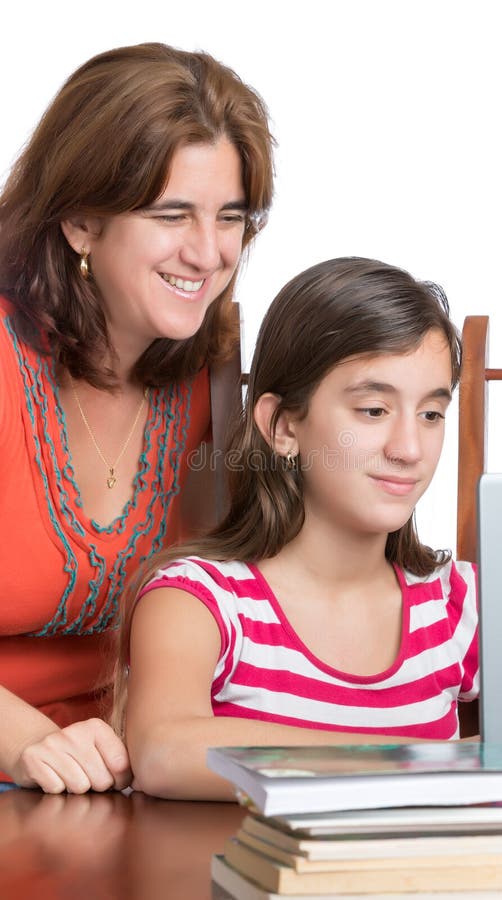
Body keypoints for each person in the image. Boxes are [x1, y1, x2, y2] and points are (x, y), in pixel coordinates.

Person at [0, 42, 275, 793]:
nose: (209, 252)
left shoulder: (209, 372)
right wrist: (25, 741)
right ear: (82, 223)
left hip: (125, 787)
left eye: (230, 217)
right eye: (172, 214)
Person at [115, 256, 480, 802]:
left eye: (431, 414)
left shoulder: (459, 603)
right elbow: (165, 752)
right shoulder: (201, 600)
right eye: (374, 410)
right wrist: (404, 765)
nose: (409, 450)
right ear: (283, 426)